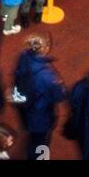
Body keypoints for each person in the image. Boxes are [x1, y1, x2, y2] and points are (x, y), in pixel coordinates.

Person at [11, 32, 67, 160]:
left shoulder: (23, 55)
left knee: (32, 136)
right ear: (46, 48)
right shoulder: (47, 76)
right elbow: (59, 96)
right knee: (41, 143)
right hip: (40, 116)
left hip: (23, 106)